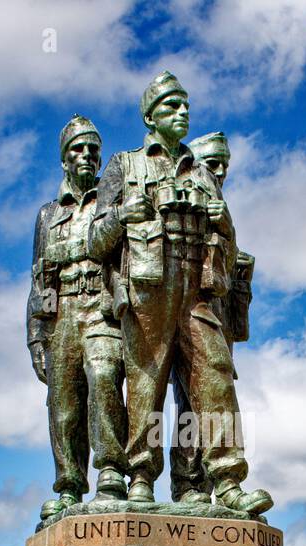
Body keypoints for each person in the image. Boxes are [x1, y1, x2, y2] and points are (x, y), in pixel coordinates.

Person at [87, 71, 272, 515]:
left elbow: (228, 247)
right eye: (172, 106)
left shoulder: (203, 173)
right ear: (150, 116)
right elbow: (95, 242)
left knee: (214, 376)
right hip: (150, 287)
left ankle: (226, 481)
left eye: (186, 105)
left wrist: (223, 220)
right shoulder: (124, 166)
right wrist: (121, 217)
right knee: (146, 383)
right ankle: (141, 477)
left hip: (197, 288)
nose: (183, 112)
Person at [26, 115, 128, 521]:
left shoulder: (110, 203)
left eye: (93, 150)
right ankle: (69, 486)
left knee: (103, 376)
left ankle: (111, 472)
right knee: (63, 402)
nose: (86, 156)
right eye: (77, 149)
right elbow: (39, 280)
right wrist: (37, 337)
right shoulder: (48, 215)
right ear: (64, 159)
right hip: (63, 312)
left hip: (101, 307)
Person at [168, 131, 255, 504]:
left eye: (225, 164)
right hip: (175, 312)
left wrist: (228, 229)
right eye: (212, 162)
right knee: (182, 405)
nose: (219, 171)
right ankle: (187, 482)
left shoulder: (222, 215)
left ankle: (200, 485)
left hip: (214, 323)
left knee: (206, 399)